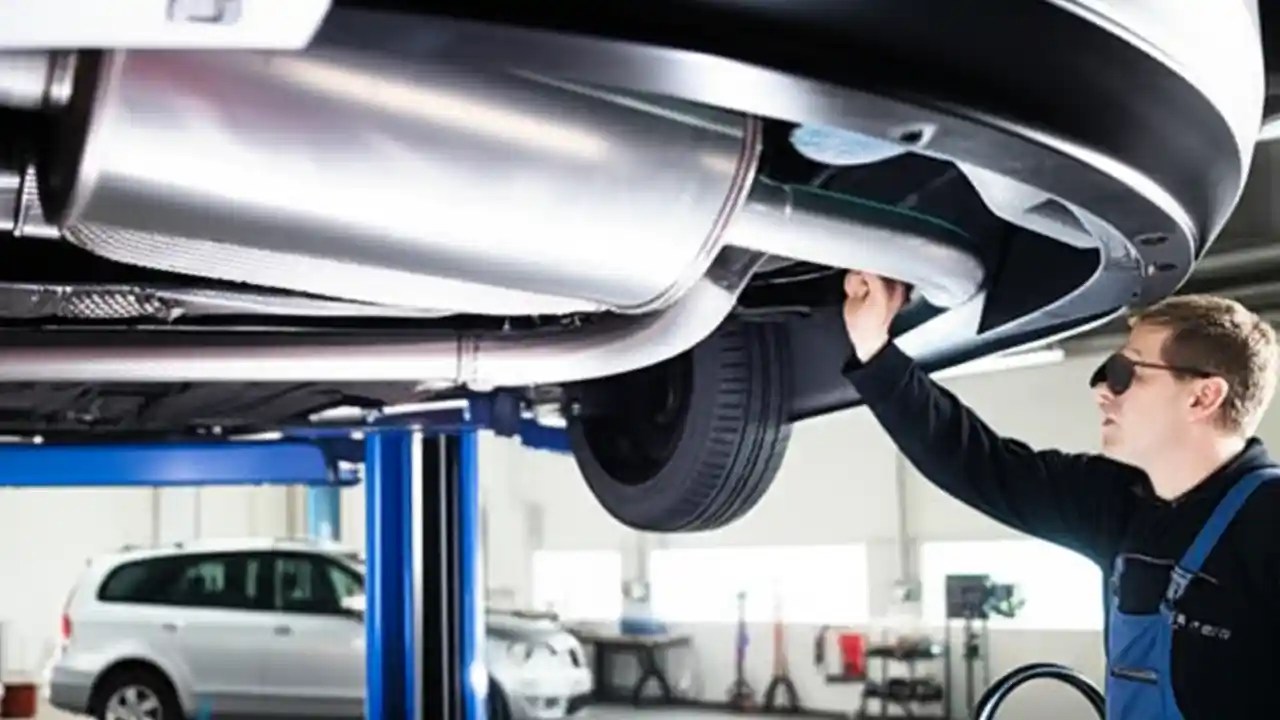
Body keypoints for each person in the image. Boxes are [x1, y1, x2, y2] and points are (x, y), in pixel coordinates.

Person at [839, 270, 1280, 720]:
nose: (1102, 390)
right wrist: (874, 349)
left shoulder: (1269, 518)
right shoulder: (1117, 501)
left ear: (1202, 397)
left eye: (1126, 373)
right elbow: (979, 463)